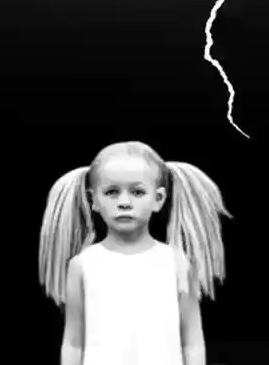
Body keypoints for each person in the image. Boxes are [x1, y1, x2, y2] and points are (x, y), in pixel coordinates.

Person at [37, 141, 232, 365]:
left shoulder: (176, 264)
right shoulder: (83, 265)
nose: (124, 202)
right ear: (94, 201)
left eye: (137, 192)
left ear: (158, 199)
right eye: (111, 192)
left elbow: (192, 342)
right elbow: (73, 343)